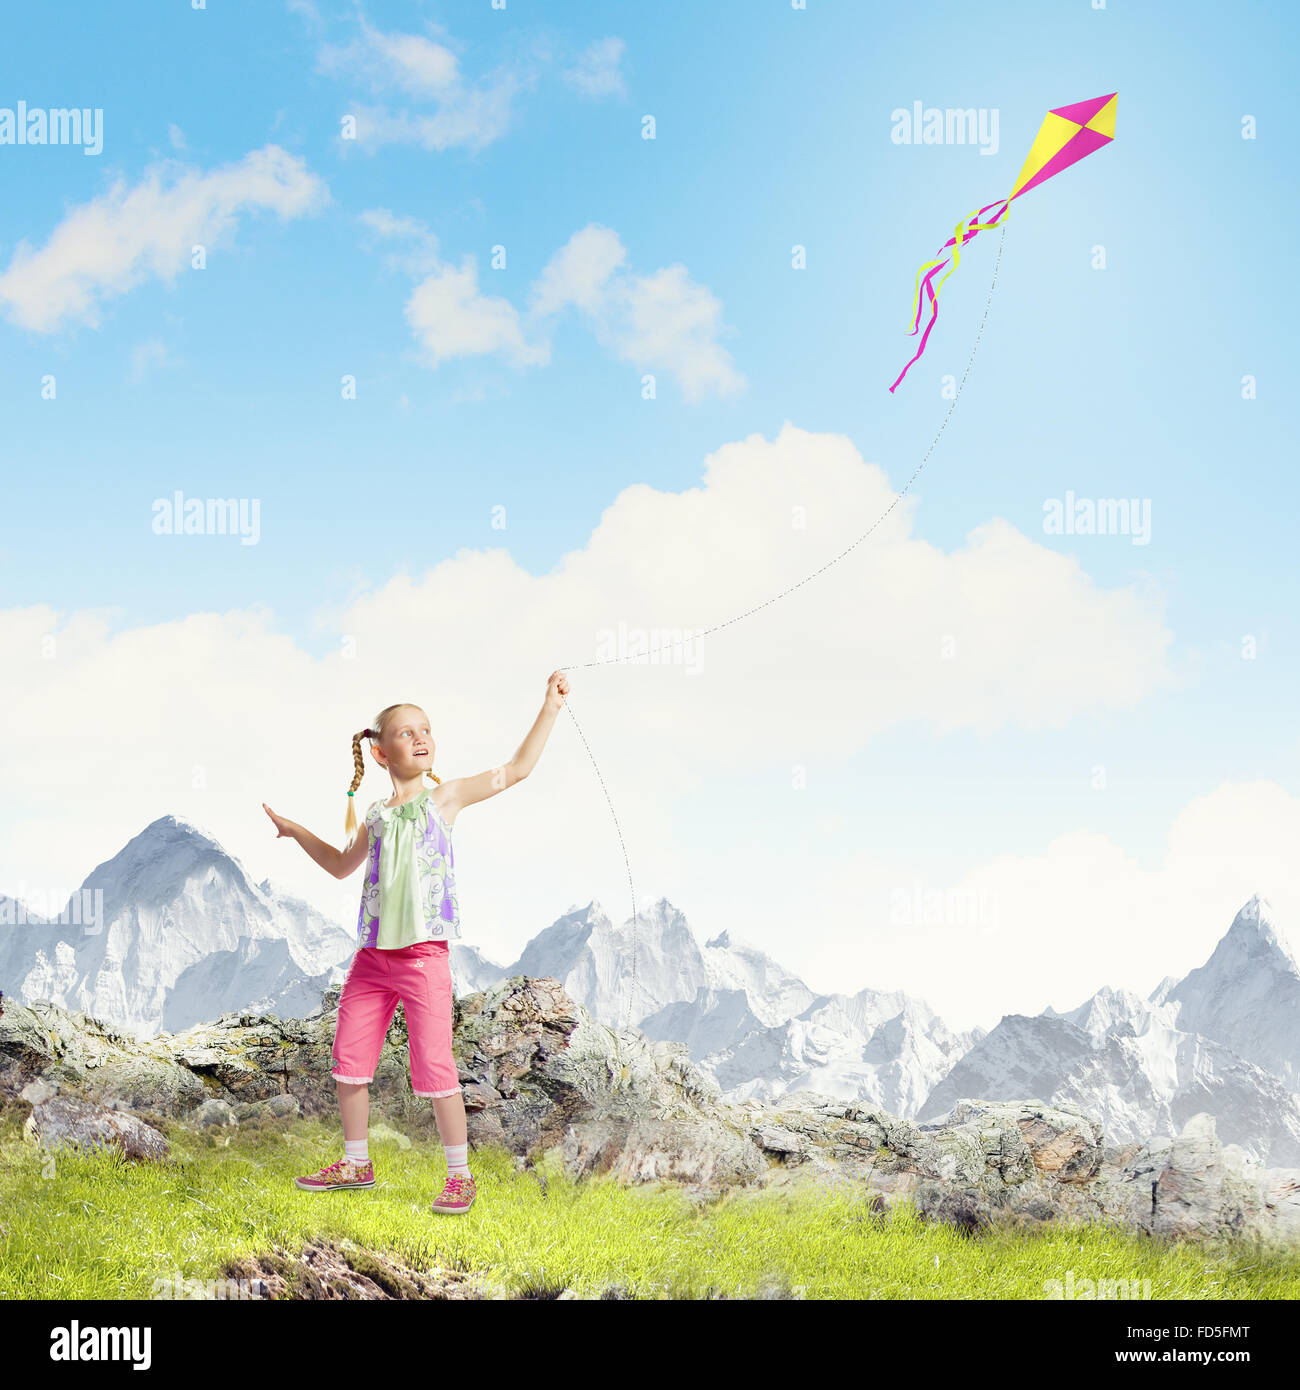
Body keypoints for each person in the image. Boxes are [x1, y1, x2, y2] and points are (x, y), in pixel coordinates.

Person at [262, 671, 570, 1215]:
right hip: (372, 959)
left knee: (436, 1067)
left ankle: (460, 1176)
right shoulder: (377, 816)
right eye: (406, 733)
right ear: (381, 754)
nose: (421, 737)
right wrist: (296, 832)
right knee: (349, 1061)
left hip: (424, 957)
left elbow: (518, 770)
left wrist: (550, 705)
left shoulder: (444, 799)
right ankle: (356, 1163)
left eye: (426, 729)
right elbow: (339, 866)